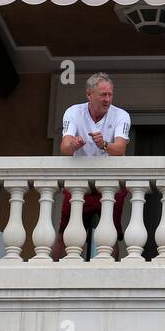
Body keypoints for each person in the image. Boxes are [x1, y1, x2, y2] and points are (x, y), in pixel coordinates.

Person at [54, 72, 131, 259]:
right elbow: (65, 147)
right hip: (79, 183)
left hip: (110, 185)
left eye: (110, 94)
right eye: (102, 95)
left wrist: (104, 144)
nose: (107, 99)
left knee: (109, 237)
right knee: (65, 233)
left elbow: (120, 149)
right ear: (89, 95)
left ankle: (111, 280)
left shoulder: (121, 115)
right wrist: (74, 145)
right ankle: (54, 274)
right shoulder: (73, 112)